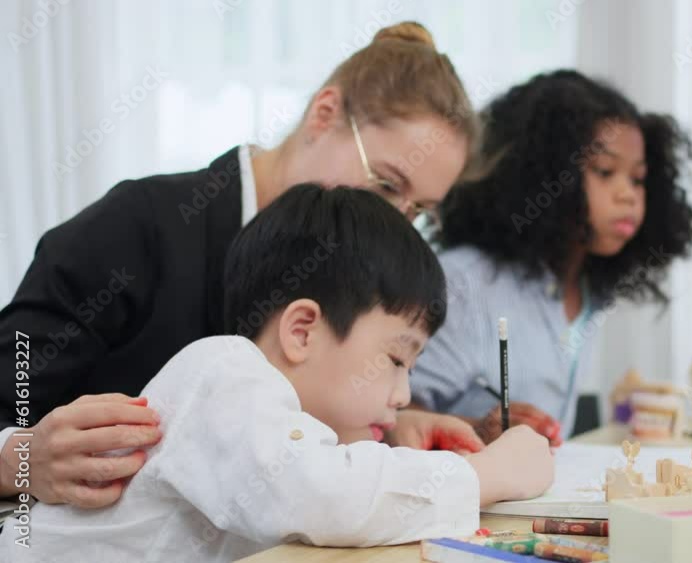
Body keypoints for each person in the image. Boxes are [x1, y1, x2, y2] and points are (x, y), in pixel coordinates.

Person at [0, 21, 482, 509]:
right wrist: (19, 459)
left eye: (419, 212)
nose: (397, 219)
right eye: (387, 185)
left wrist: (383, 425)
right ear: (325, 114)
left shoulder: (359, 275)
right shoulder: (136, 228)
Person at [0, 185, 555, 562]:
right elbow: (323, 496)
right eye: (395, 360)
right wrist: (485, 476)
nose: (403, 393)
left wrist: (405, 445)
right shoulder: (224, 373)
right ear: (302, 331)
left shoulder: (269, 412)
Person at [410, 70, 692, 443]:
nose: (628, 195)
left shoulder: (589, 289)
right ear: (544, 176)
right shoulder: (462, 285)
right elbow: (391, 419)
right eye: (605, 171)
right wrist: (477, 429)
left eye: (638, 178)